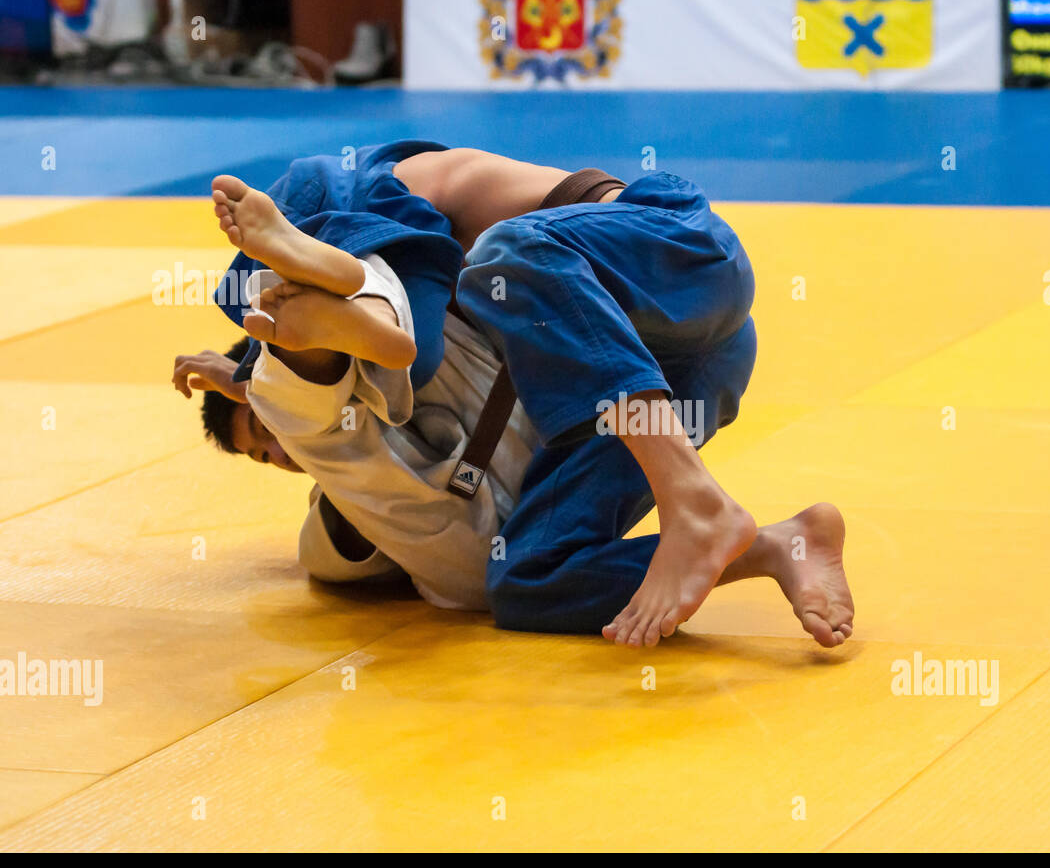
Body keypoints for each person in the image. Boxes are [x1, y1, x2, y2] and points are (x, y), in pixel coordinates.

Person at [178, 145, 854, 647]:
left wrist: (261, 360)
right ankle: (776, 546)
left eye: (264, 430)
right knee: (523, 580)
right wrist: (250, 378)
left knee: (501, 264)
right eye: (267, 453)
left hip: (688, 272)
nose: (278, 448)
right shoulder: (360, 436)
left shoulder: (424, 188)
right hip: (654, 381)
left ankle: (693, 502)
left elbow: (393, 299)